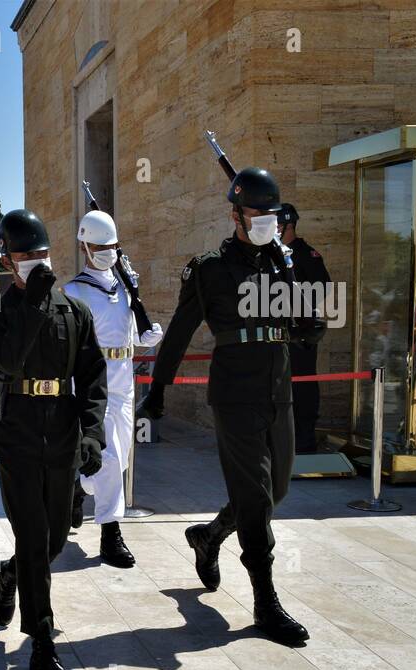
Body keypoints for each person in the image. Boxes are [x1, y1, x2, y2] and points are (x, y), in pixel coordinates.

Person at [139, 168, 324, 646]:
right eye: (257, 214)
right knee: (258, 497)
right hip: (235, 394)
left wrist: (309, 327)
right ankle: (266, 603)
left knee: (275, 490)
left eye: (272, 215)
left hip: (277, 389)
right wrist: (158, 389)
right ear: (236, 215)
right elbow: (179, 332)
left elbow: (301, 315)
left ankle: (211, 535)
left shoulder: (282, 264)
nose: (266, 222)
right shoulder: (210, 269)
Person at [0, 208, 108, 670]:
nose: (35, 261)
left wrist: (93, 434)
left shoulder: (75, 311)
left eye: (41, 253)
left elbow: (94, 377)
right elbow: (5, 363)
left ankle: (10, 575)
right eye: (24, 254)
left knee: (53, 541)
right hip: (18, 435)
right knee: (33, 538)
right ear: (8, 261)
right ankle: (42, 644)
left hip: (63, 435)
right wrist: (30, 304)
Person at [63, 210, 164, 567]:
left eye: (112, 246)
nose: (107, 252)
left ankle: (79, 484)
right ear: (84, 246)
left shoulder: (124, 287)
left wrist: (146, 337)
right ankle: (110, 532)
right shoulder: (73, 291)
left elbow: (130, 333)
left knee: (119, 458)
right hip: (94, 382)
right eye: (99, 246)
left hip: (123, 379)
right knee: (107, 457)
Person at [278, 202, 331, 453]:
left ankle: (304, 440)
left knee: (302, 387)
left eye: (278, 224)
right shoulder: (272, 254)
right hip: (275, 335)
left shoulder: (305, 255)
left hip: (299, 336)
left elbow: (322, 289)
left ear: (289, 226)